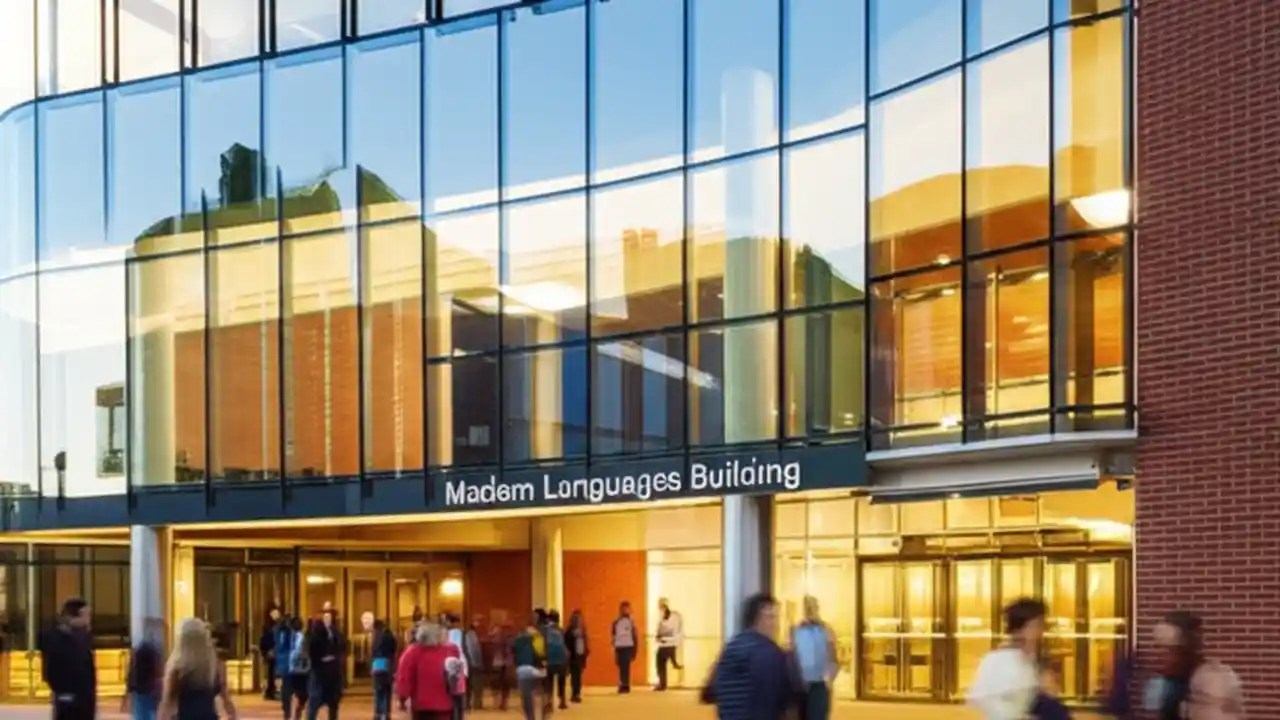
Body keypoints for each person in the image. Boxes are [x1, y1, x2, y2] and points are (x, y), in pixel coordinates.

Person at [968, 598, 1070, 720]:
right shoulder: (999, 660)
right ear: (1018, 629)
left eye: (1042, 625)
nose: (1040, 631)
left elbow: (1049, 694)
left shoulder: (1034, 659)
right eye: (1035, 625)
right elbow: (986, 700)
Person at [704, 593, 791, 720]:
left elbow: (712, 690)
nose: (776, 624)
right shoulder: (769, 652)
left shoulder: (731, 646)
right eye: (771, 617)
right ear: (758, 619)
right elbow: (775, 695)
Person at [1147, 611, 1243, 720]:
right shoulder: (1168, 684)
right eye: (1157, 648)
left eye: (1167, 650)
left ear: (1186, 649)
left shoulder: (1212, 682)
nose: (1158, 657)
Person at [158, 617, 239, 720]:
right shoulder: (214, 666)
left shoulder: (177, 669)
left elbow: (167, 702)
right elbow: (226, 697)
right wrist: (232, 715)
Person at [40, 597, 96, 720]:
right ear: (76, 616)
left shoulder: (83, 638)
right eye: (86, 615)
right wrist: (65, 694)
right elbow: (51, 670)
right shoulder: (57, 639)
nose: (89, 620)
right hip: (69, 702)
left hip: (84, 703)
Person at [397, 622, 463, 720]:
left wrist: (402, 698)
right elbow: (457, 678)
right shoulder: (451, 651)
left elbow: (404, 678)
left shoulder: (411, 653)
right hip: (445, 703)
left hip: (421, 704)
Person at [791, 596, 838, 720]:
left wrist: (829, 679)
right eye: (807, 607)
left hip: (818, 684)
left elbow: (833, 655)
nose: (810, 610)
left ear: (817, 608)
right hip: (799, 684)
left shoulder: (826, 630)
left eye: (813, 607)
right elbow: (791, 653)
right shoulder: (795, 630)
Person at [307, 610, 346, 720]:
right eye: (325, 618)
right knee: (315, 702)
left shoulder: (336, 633)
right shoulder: (316, 635)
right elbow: (313, 653)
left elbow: (341, 647)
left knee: (332, 703)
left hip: (332, 674)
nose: (327, 620)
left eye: (329, 618)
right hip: (320, 674)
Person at [123, 618, 165, 720]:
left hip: (145, 691)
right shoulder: (147, 649)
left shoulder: (146, 648)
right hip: (146, 690)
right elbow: (135, 672)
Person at [513, 613, 548, 720]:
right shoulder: (538, 636)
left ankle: (530, 717)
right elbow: (541, 653)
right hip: (536, 670)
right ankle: (541, 715)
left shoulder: (518, 638)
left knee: (526, 697)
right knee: (539, 695)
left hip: (522, 669)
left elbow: (514, 653)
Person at [367, 615, 398, 720]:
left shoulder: (374, 637)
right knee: (387, 690)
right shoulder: (389, 635)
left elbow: (371, 652)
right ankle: (386, 713)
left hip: (377, 664)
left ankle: (378, 713)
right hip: (387, 663)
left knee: (378, 690)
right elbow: (394, 649)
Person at [283, 616, 310, 720]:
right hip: (298, 670)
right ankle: (295, 715)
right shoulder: (296, 637)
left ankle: (296, 715)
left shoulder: (300, 637)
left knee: (299, 695)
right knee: (298, 695)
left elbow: (298, 653)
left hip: (298, 669)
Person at [655, 598, 684, 690]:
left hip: (668, 644)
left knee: (660, 663)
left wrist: (663, 638)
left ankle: (662, 684)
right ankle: (662, 683)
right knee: (661, 663)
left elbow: (674, 632)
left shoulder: (673, 617)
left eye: (660, 607)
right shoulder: (665, 618)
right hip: (667, 644)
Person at [610, 602, 638, 694]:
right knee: (620, 665)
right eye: (623, 609)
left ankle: (626, 685)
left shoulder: (631, 622)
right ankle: (622, 683)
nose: (625, 611)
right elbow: (613, 634)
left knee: (626, 666)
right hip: (619, 646)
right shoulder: (616, 622)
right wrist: (613, 646)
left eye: (627, 609)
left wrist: (635, 649)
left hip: (628, 646)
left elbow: (635, 635)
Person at [544, 610, 569, 711]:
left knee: (549, 683)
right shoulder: (561, 630)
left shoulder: (546, 631)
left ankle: (549, 702)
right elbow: (565, 646)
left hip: (550, 659)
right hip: (560, 659)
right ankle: (562, 701)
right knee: (561, 682)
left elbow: (544, 644)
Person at [489, 621, 515, 711]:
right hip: (507, 663)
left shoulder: (496, 638)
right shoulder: (511, 638)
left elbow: (493, 649)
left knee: (497, 683)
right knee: (505, 684)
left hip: (498, 662)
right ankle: (504, 703)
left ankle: (498, 702)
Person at [565, 610, 589, 704]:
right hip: (573, 655)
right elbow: (566, 642)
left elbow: (586, 642)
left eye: (578, 618)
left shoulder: (583, 630)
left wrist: (586, 653)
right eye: (575, 618)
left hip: (581, 655)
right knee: (574, 676)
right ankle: (574, 693)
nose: (577, 620)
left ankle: (577, 692)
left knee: (578, 676)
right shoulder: (569, 631)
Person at [463, 616, 486, 711]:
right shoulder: (471, 634)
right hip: (473, 663)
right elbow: (474, 649)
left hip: (467, 662)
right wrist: (477, 663)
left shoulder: (465, 633)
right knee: (476, 684)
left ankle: (467, 703)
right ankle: (476, 703)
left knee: (468, 684)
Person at [261, 606, 284, 700]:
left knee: (275, 672)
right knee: (271, 672)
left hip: (277, 651)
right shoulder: (267, 627)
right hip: (271, 651)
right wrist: (267, 651)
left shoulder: (279, 625)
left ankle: (273, 691)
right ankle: (270, 691)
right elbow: (265, 639)